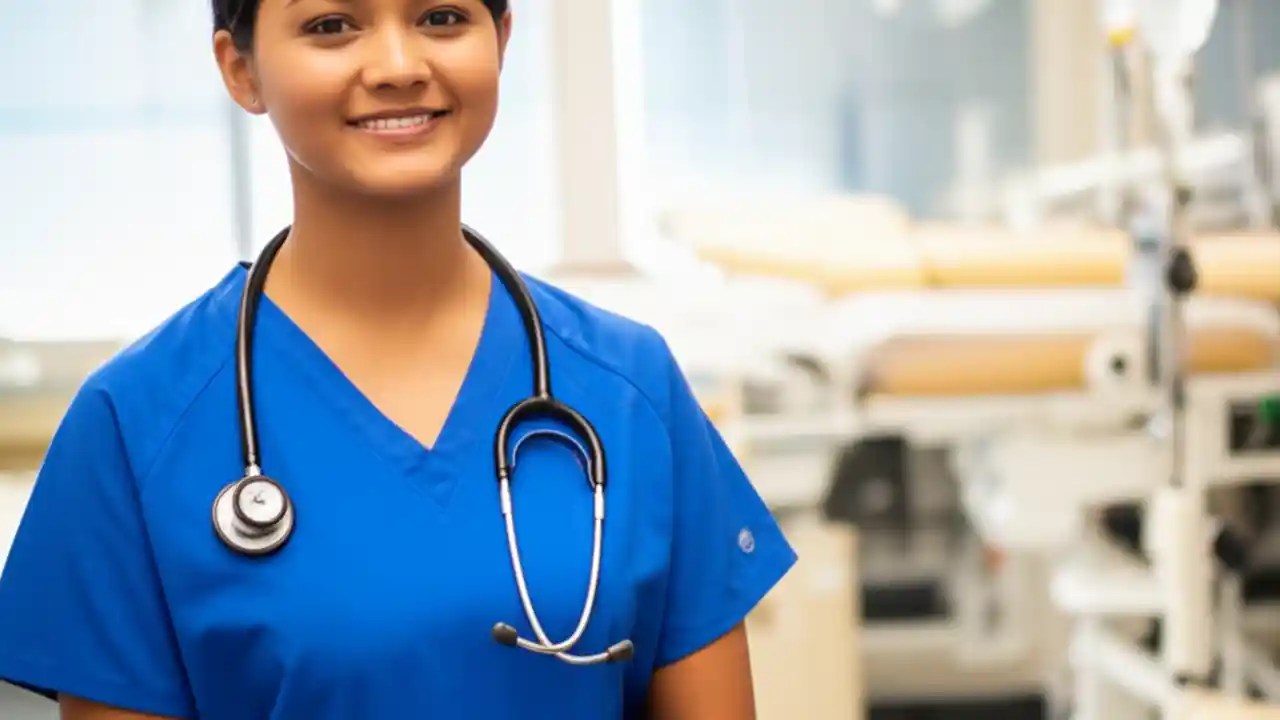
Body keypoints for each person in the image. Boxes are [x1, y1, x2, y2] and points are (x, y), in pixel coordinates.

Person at [0, 0, 796, 717]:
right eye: (331, 26)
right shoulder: (135, 424)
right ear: (240, 69)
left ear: (503, 38)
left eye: (442, 17)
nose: (399, 66)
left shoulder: (629, 391)